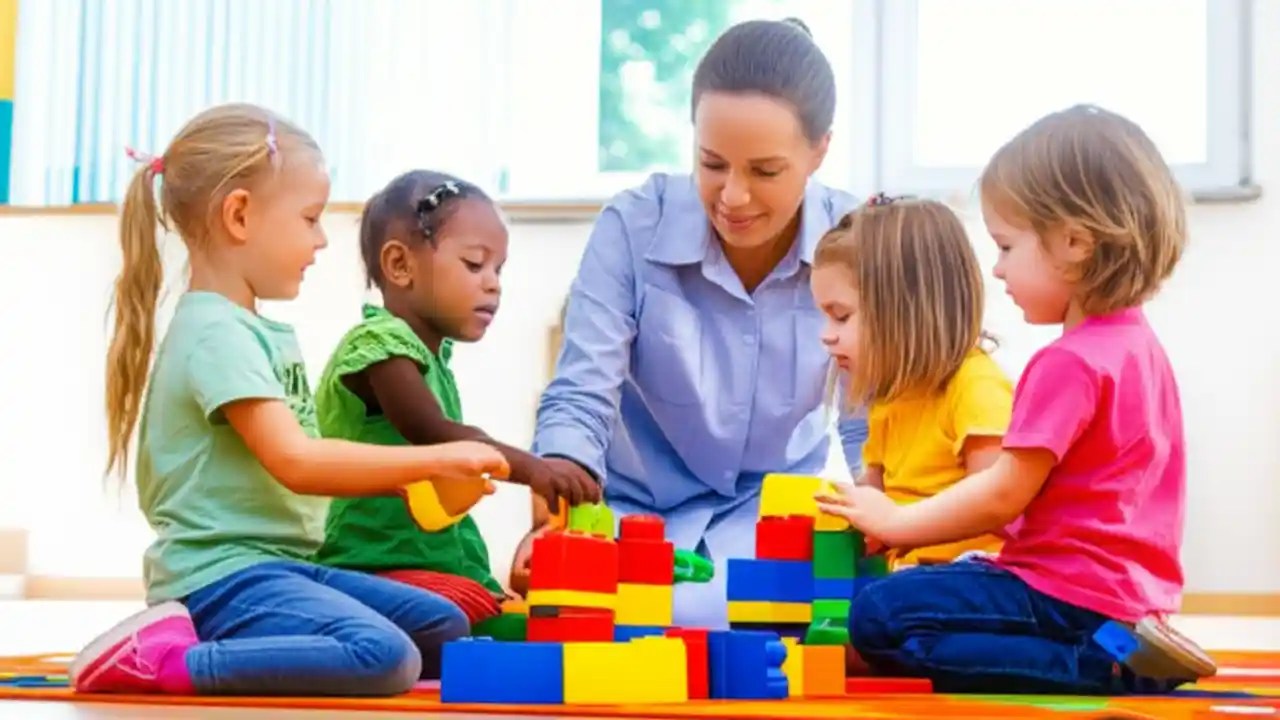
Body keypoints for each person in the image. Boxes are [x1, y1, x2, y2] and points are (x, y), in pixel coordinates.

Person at [70, 104, 510, 697]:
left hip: (280, 563)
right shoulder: (214, 334)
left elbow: (305, 457)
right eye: (309, 218)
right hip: (223, 578)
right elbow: (297, 462)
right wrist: (431, 462)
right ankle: (167, 665)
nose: (323, 240)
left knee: (440, 624)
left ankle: (233, 647)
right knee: (382, 657)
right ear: (240, 215)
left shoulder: (248, 329)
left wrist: (426, 473)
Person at [816, 104, 1217, 693]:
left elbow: (1002, 494)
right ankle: (1114, 647)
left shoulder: (1068, 363)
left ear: (1075, 242)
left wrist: (901, 522)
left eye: (1006, 247)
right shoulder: (1141, 349)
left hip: (1064, 594)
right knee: (907, 611)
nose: (997, 271)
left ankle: (1100, 665)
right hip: (1122, 595)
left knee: (879, 616)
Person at [515, 17, 868, 628]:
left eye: (764, 171)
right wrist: (557, 521)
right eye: (712, 163)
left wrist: (900, 528)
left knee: (820, 624)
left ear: (819, 151)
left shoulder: (858, 241)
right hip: (632, 511)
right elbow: (581, 394)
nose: (732, 196)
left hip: (771, 521)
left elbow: (872, 418)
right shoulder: (631, 226)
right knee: (616, 625)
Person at [311, 170, 599, 628]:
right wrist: (534, 470)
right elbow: (436, 435)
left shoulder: (432, 359)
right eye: (474, 264)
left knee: (553, 626)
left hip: (437, 564)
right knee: (504, 630)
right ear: (400, 265)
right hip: (373, 565)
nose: (493, 284)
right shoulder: (376, 349)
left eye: (498, 269)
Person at [809, 195, 1014, 570]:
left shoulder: (975, 387)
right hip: (909, 578)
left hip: (973, 574)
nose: (827, 335)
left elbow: (998, 503)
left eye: (840, 317)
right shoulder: (891, 400)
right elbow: (873, 495)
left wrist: (898, 526)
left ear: (906, 309)